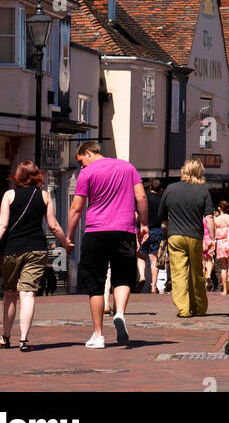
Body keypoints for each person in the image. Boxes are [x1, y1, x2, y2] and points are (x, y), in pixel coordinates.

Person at [67, 139, 150, 348]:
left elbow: (76, 208)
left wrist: (69, 235)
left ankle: (98, 335)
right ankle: (119, 313)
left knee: (95, 283)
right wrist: (144, 224)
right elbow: (141, 197)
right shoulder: (127, 167)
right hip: (124, 230)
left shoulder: (87, 173)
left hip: (97, 232)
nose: (81, 166)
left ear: (88, 153)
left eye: (81, 161)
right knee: (123, 276)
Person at [0, 160, 72, 352]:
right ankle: (24, 340)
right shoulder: (45, 196)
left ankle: (6, 337)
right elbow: (53, 225)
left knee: (10, 294)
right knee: (28, 293)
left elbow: (2, 225)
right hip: (36, 249)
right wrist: (65, 243)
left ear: (19, 175)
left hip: (11, 250)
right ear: (37, 175)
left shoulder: (9, 195)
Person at [157, 159, 216, 318]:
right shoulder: (203, 191)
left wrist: (171, 225)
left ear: (184, 171)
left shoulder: (170, 189)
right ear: (200, 173)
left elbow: (162, 216)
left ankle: (184, 309)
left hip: (175, 236)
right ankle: (199, 307)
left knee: (178, 274)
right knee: (197, 272)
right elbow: (209, 217)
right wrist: (212, 238)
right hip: (195, 237)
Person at [212, 199, 229, 294]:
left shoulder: (216, 220)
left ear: (219, 208)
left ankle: (225, 289)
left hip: (221, 243)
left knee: (223, 267)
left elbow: (213, 233)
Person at [146, 179, 165, 293]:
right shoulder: (162, 200)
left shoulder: (145, 198)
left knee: (141, 257)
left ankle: (142, 277)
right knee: (154, 259)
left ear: (150, 188)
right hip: (157, 230)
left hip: (143, 229)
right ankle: (153, 285)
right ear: (161, 190)